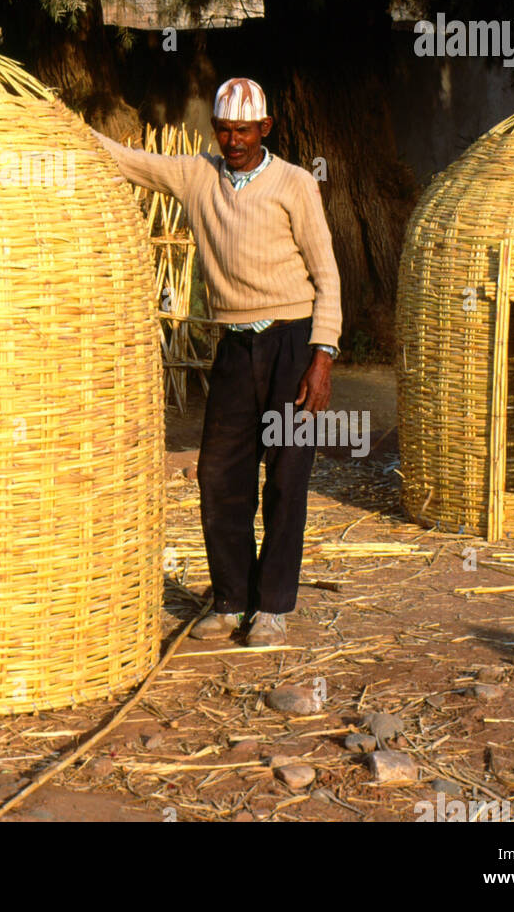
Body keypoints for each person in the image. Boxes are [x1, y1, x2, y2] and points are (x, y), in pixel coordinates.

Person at [92, 78, 342, 646]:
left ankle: (273, 608)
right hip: (234, 346)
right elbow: (131, 162)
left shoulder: (295, 185)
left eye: (244, 131)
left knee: (285, 477)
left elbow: (327, 275)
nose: (233, 141)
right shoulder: (197, 175)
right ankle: (231, 598)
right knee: (219, 474)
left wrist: (322, 356)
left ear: (266, 130)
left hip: (292, 343)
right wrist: (63, 123)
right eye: (224, 130)